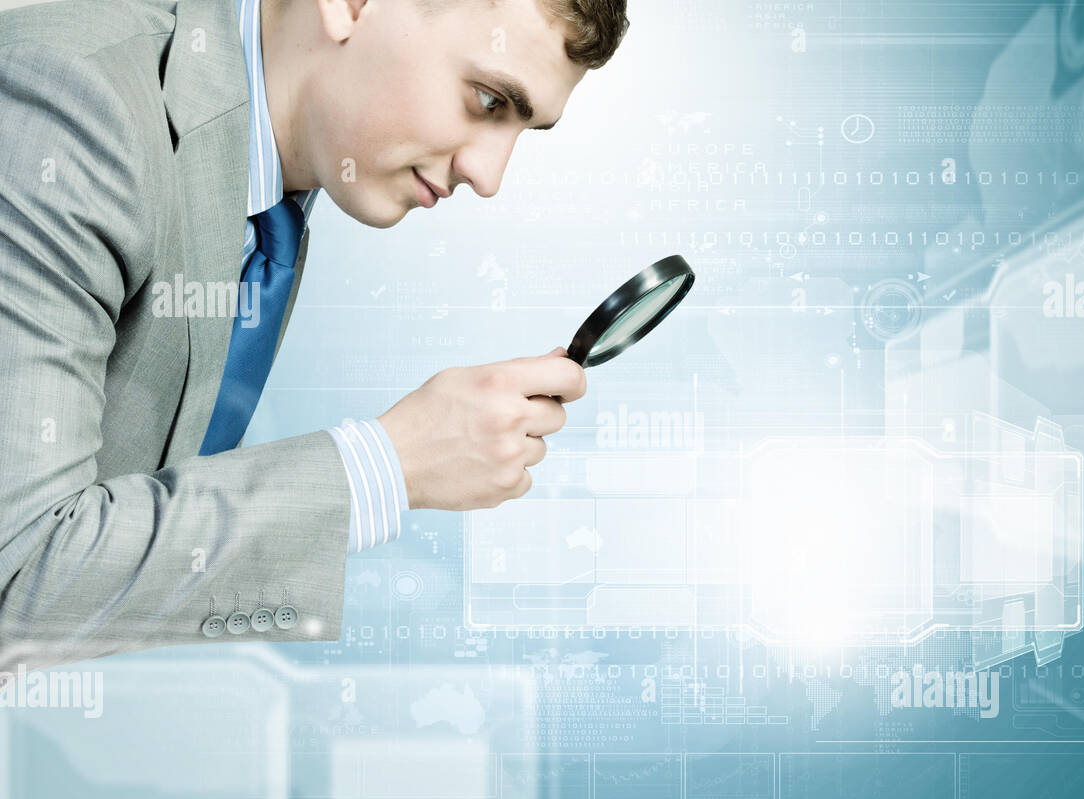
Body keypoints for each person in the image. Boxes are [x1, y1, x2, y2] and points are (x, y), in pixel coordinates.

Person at [0, 0, 629, 669]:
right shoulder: (73, 100)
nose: (490, 175)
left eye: (524, 129)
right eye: (486, 99)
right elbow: (19, 577)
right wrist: (388, 465)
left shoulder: (278, 186)